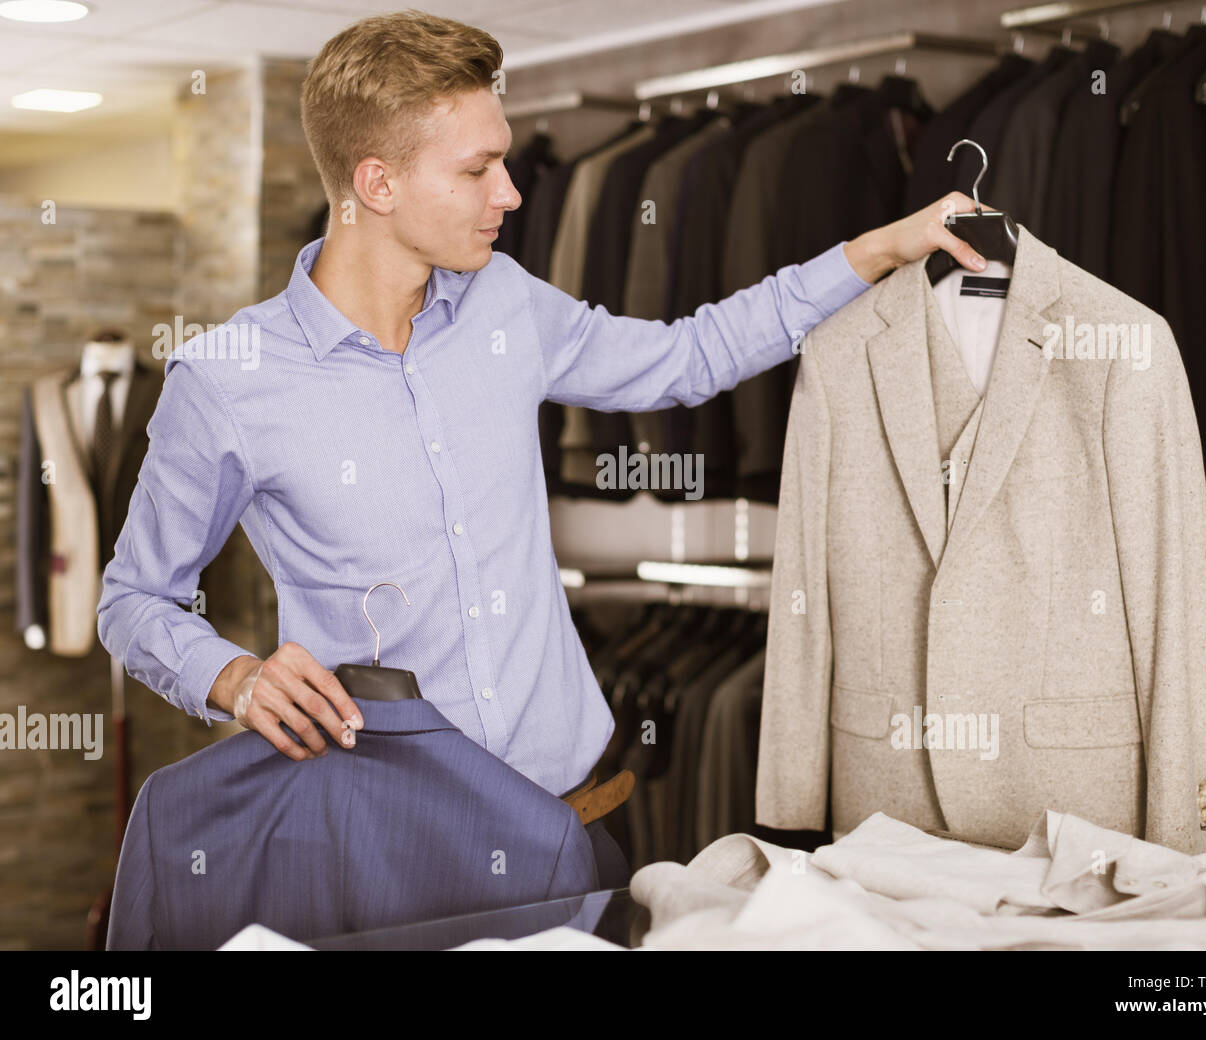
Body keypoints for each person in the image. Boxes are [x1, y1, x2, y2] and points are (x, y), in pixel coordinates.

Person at [96, 10, 988, 887]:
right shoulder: (227, 380)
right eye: (478, 168)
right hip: (393, 854)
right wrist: (236, 677)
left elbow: (686, 356)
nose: (511, 194)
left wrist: (873, 252)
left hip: (580, 826)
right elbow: (134, 599)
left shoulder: (504, 305)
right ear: (377, 184)